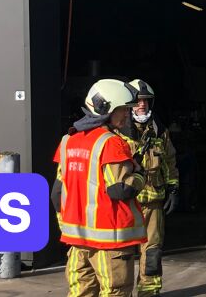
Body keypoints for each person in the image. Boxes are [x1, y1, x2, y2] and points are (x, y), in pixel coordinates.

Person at [54, 80, 148, 297]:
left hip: (77, 242)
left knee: (81, 292)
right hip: (110, 243)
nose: (127, 115)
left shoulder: (67, 141)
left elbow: (57, 194)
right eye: (123, 109)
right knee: (115, 292)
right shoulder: (112, 143)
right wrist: (139, 175)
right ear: (105, 109)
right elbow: (120, 190)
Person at [125, 79, 180, 297]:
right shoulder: (117, 131)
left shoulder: (159, 130)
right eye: (138, 101)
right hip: (126, 202)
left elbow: (170, 160)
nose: (142, 105)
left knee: (153, 252)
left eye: (146, 102)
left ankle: (149, 293)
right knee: (123, 254)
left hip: (153, 202)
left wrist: (174, 188)